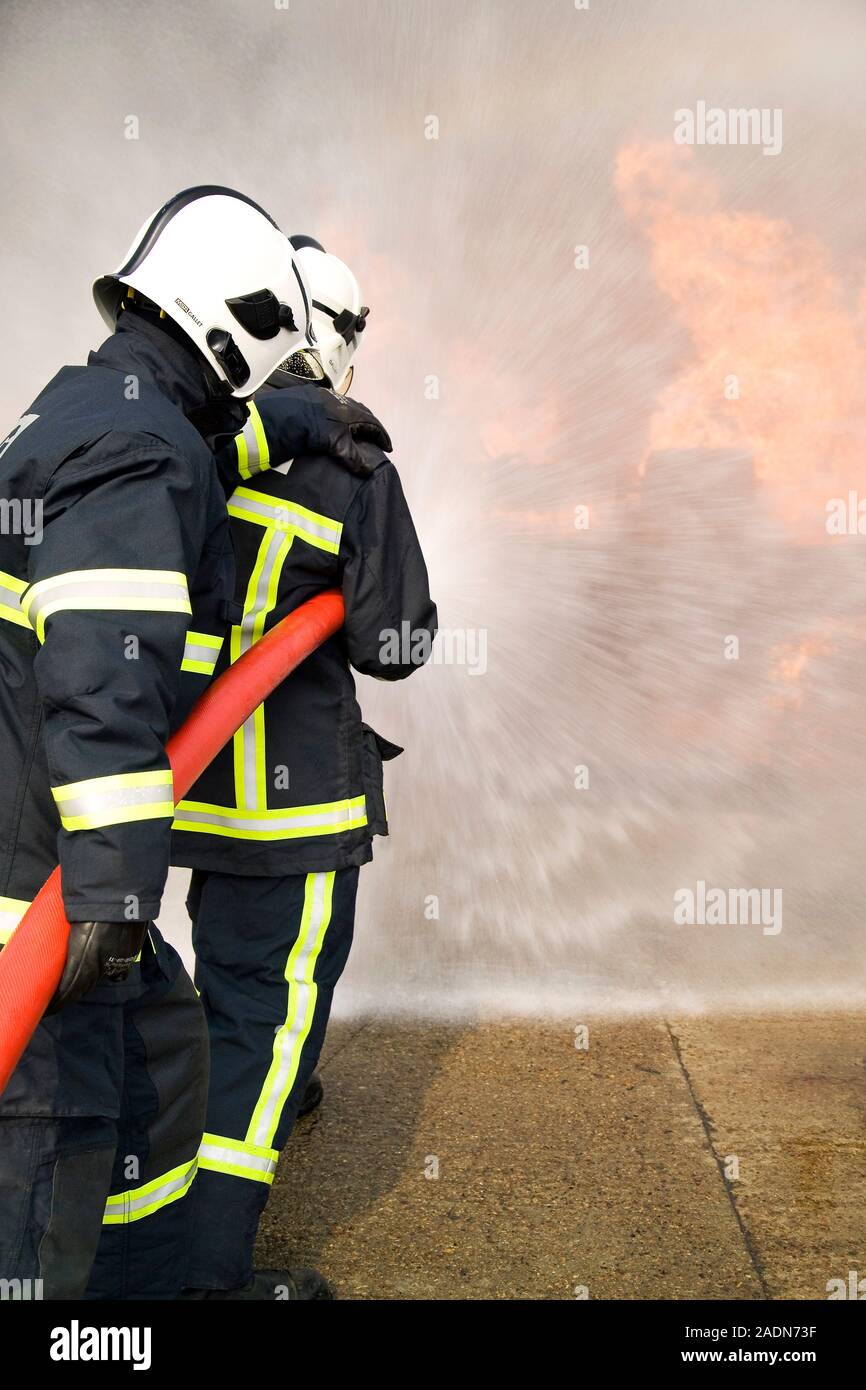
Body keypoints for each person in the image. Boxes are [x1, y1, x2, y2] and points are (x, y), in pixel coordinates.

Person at [0, 186, 333, 1300]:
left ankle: (143, 1304)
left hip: (59, 875)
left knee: (158, 1063)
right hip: (43, 904)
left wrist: (289, 426)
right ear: (231, 323)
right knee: (54, 1145)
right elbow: (102, 690)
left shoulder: (94, 408)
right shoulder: (139, 452)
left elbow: (198, 447)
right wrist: (107, 908)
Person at [171, 236, 438, 1299]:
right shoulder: (352, 466)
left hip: (197, 805)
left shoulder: (181, 449)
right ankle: (205, 1278)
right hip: (300, 813)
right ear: (334, 341)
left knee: (234, 987)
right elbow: (397, 645)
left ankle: (274, 1088)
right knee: (270, 1023)